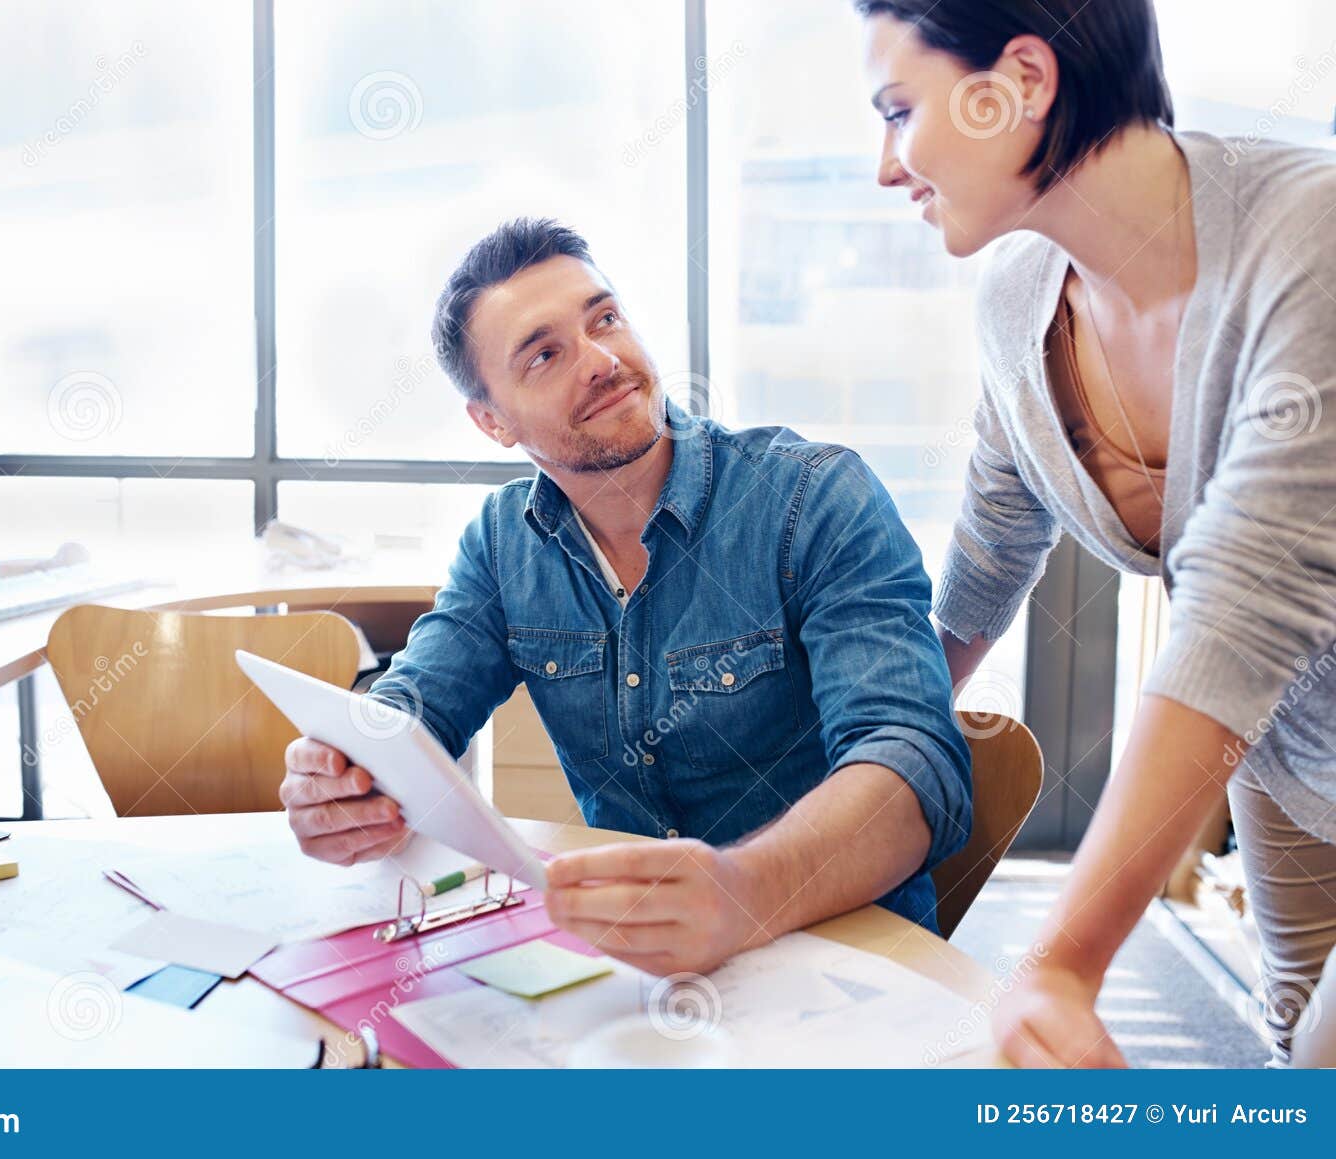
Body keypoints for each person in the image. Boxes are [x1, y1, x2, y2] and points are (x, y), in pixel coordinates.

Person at [280, 218, 972, 976]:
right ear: (493, 422)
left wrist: (740, 892)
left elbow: (914, 770)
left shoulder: (814, 498)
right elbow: (415, 711)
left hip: (847, 967)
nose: (604, 361)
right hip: (640, 974)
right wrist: (349, 777)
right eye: (545, 355)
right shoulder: (505, 543)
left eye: (604, 319)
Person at [857, 0, 1336, 1065]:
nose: (887, 166)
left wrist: (1065, 962)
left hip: (1245, 686)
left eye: (898, 110)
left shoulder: (1311, 237)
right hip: (1283, 739)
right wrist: (874, 745)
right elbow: (993, 539)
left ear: (1022, 79)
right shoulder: (1019, 294)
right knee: (1293, 1029)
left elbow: (1241, 614)